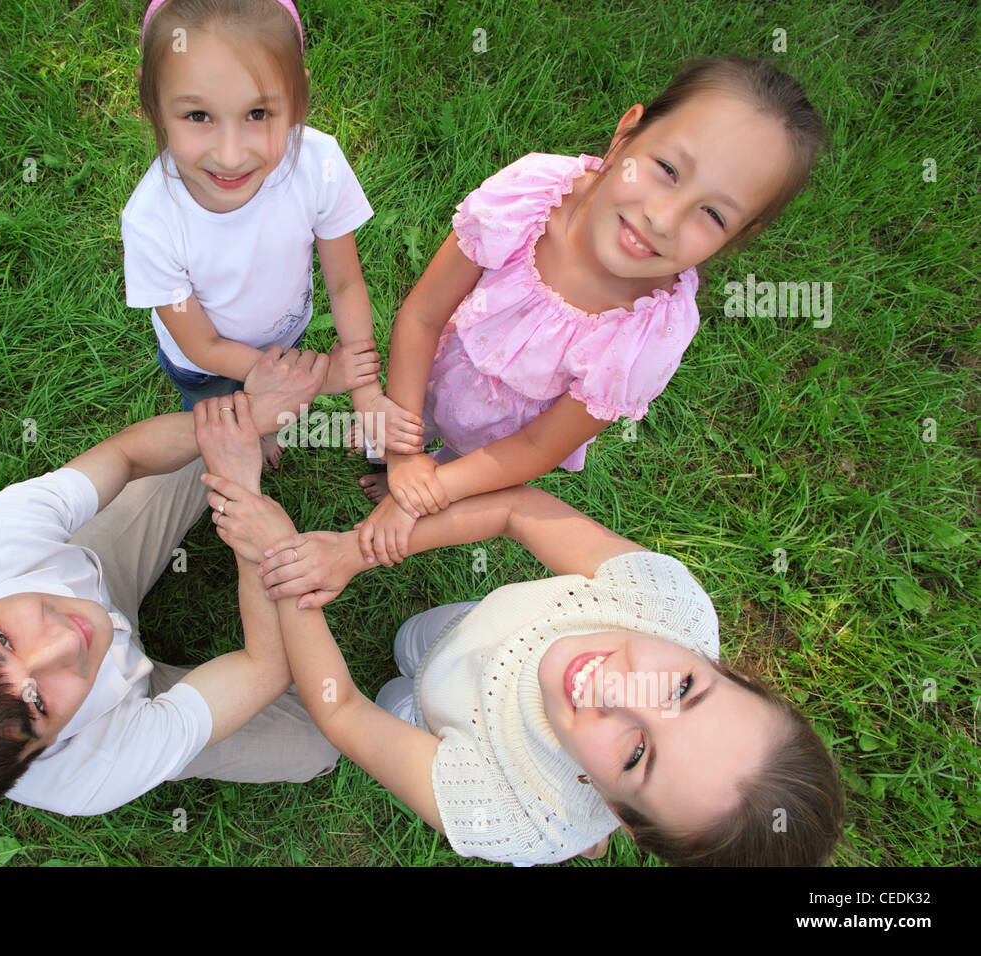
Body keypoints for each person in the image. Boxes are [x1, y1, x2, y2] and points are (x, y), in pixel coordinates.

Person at [196, 467, 845, 866]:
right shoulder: (666, 607)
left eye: (638, 753)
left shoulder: (505, 813)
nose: (621, 690)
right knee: (415, 641)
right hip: (467, 630)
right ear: (728, 669)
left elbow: (342, 711)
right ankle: (592, 826)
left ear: (624, 814)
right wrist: (353, 552)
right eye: (682, 687)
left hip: (447, 727)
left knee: (398, 703)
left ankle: (575, 841)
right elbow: (514, 509)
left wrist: (281, 562)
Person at [0, 348, 341, 827]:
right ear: (31, 763)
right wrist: (248, 515)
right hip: (131, 708)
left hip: (97, 567)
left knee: (211, 447)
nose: (66, 641)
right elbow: (261, 667)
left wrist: (251, 413)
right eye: (38, 706)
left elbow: (127, 457)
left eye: (0, 638)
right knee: (323, 741)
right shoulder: (92, 772)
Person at [357, 57, 826, 565]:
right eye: (667, 170)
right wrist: (404, 460)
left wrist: (432, 488)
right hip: (435, 369)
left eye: (712, 214)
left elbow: (538, 446)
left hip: (501, 445)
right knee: (408, 434)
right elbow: (423, 317)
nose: (662, 219)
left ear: (740, 235)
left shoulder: (651, 334)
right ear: (626, 135)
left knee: (452, 472)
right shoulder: (527, 197)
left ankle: (432, 480)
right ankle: (400, 457)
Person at [123, 0, 425, 464]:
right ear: (152, 98)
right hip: (206, 367)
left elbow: (344, 284)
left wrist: (365, 395)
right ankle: (251, 435)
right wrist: (316, 379)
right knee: (220, 424)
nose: (229, 154)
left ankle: (265, 426)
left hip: (287, 336)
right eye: (198, 116)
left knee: (266, 408)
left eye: (258, 113)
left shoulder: (317, 166)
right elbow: (202, 344)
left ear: (297, 94)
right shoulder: (151, 221)